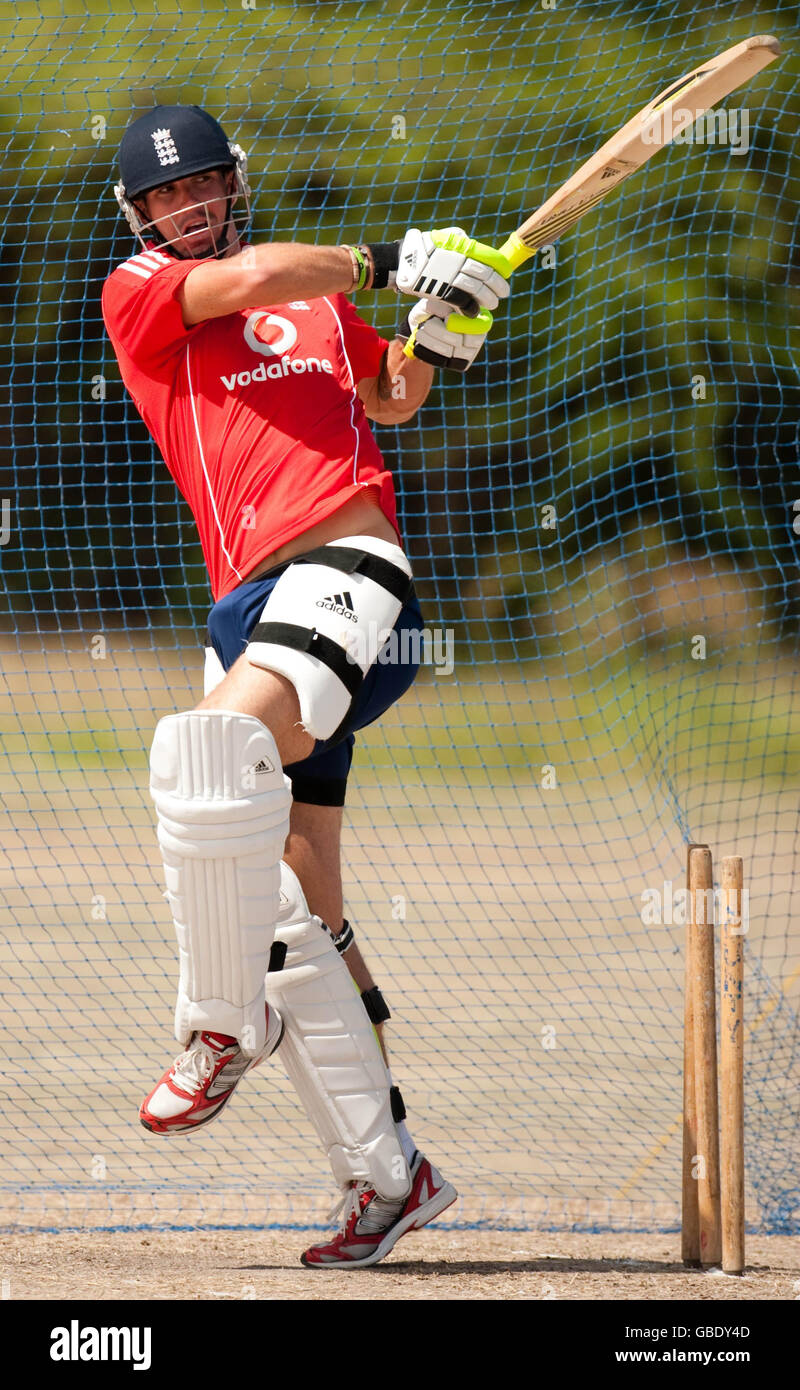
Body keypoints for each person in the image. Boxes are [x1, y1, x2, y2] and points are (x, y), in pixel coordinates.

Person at [102, 104, 510, 1268]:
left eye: (205, 189)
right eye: (165, 200)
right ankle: (389, 1176)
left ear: (236, 184)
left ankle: (218, 1025)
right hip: (251, 607)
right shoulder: (142, 293)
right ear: (139, 217)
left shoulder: (315, 302)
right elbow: (260, 275)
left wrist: (437, 333)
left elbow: (388, 396)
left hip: (345, 569)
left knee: (203, 751)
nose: (188, 210)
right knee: (290, 897)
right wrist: (396, 262)